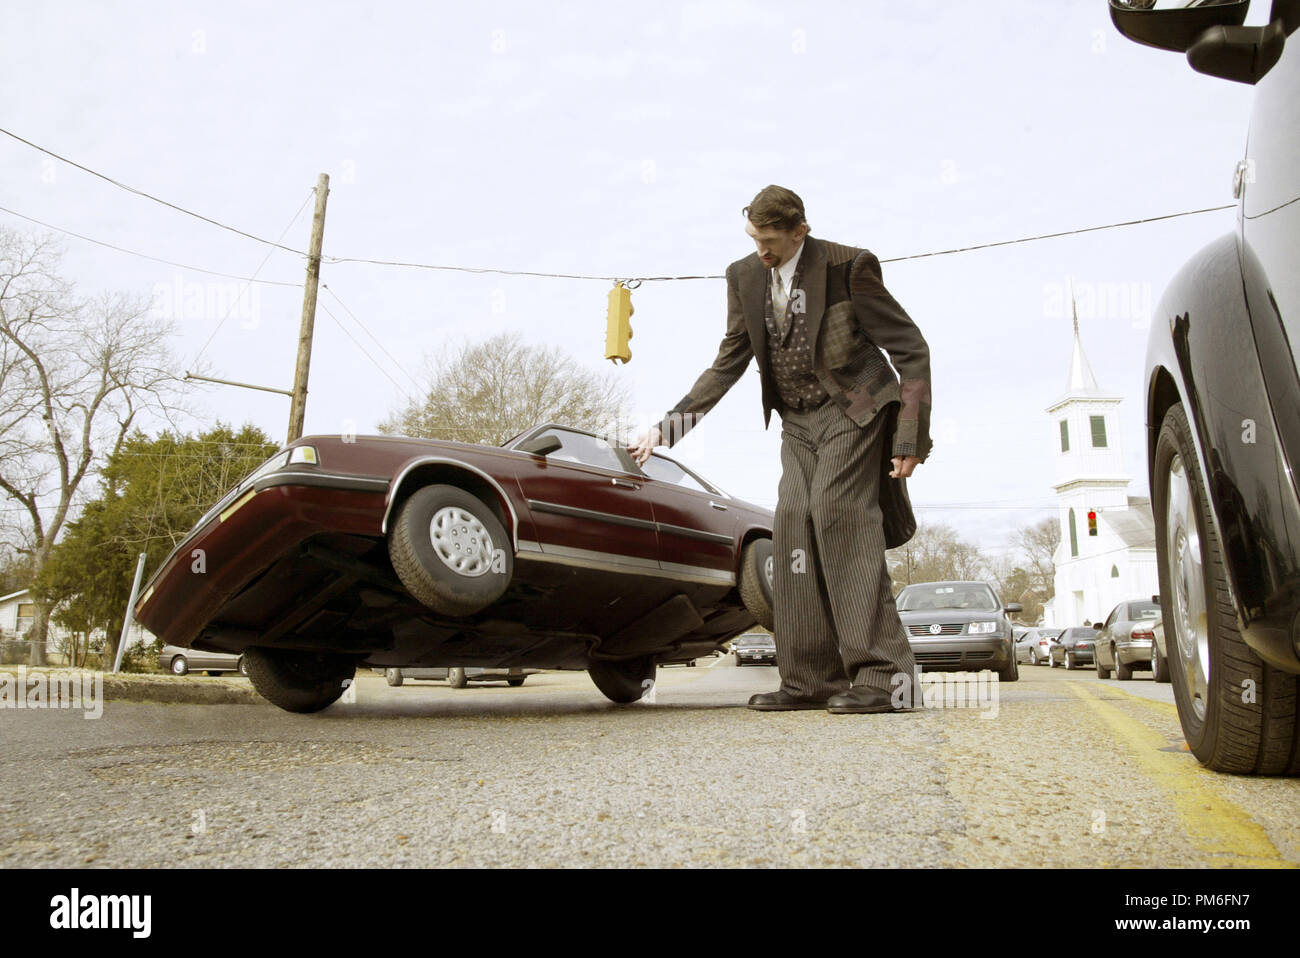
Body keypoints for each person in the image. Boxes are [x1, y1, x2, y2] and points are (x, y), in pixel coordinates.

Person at [629, 185, 932, 713]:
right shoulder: (743, 276)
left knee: (838, 515)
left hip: (855, 406)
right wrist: (666, 428)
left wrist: (910, 436)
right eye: (754, 238)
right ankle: (812, 678)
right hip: (798, 420)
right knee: (792, 523)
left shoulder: (849, 266)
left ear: (800, 232)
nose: (762, 250)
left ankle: (887, 681)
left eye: (771, 241)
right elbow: (729, 361)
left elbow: (910, 348)